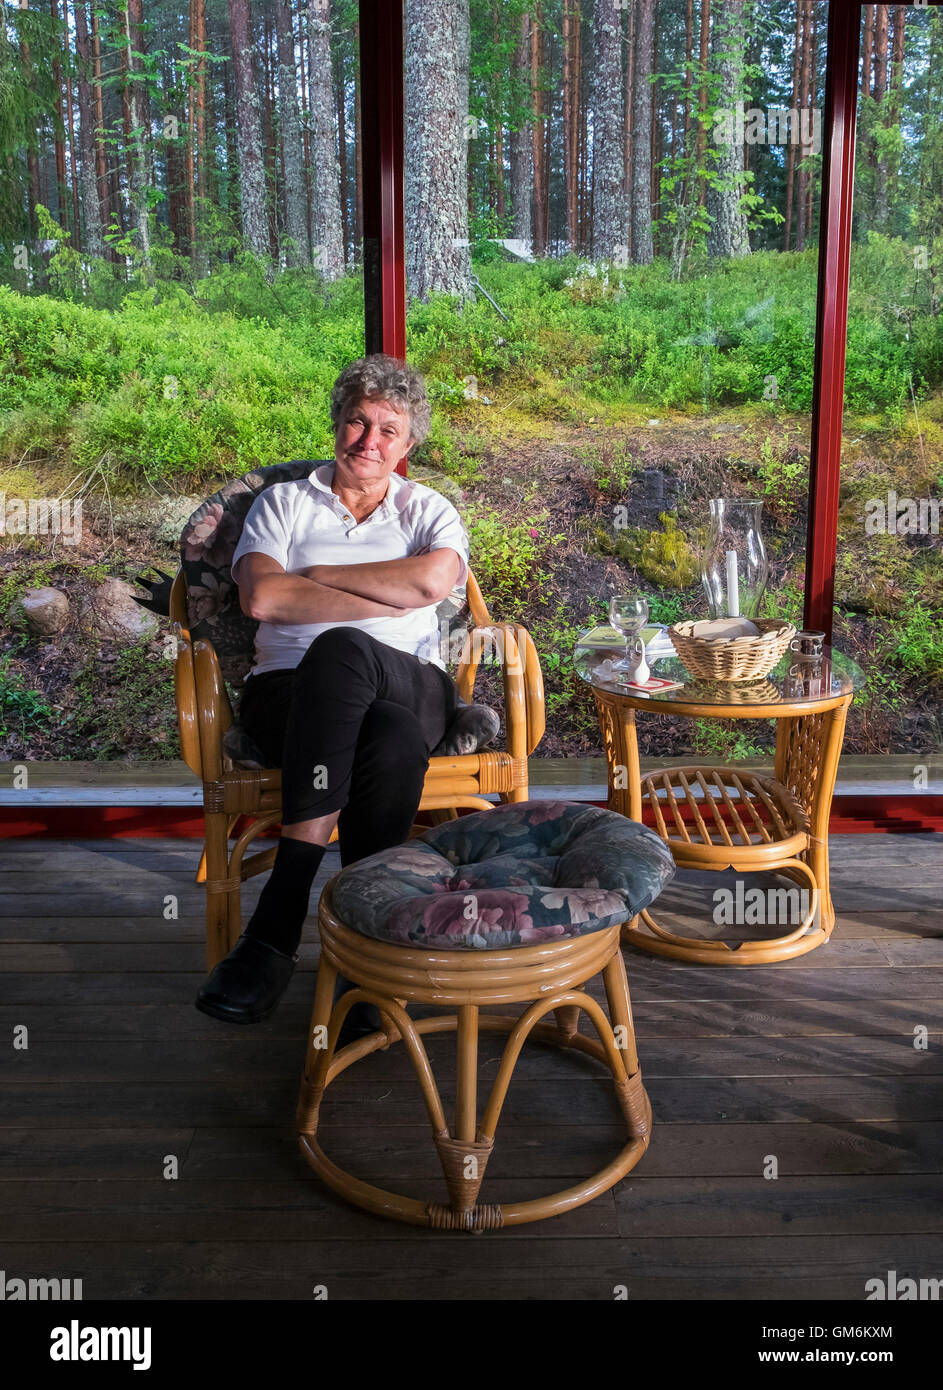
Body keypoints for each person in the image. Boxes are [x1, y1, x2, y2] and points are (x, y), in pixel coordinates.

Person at [195, 354, 469, 1029]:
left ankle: (275, 930)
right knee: (389, 734)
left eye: (387, 430)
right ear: (336, 424)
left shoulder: (428, 509)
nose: (368, 441)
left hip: (412, 682)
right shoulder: (282, 503)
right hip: (288, 696)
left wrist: (314, 576)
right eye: (356, 422)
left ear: (408, 444)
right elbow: (261, 596)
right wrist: (385, 594)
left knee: (344, 648)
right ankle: (366, 960)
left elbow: (432, 585)